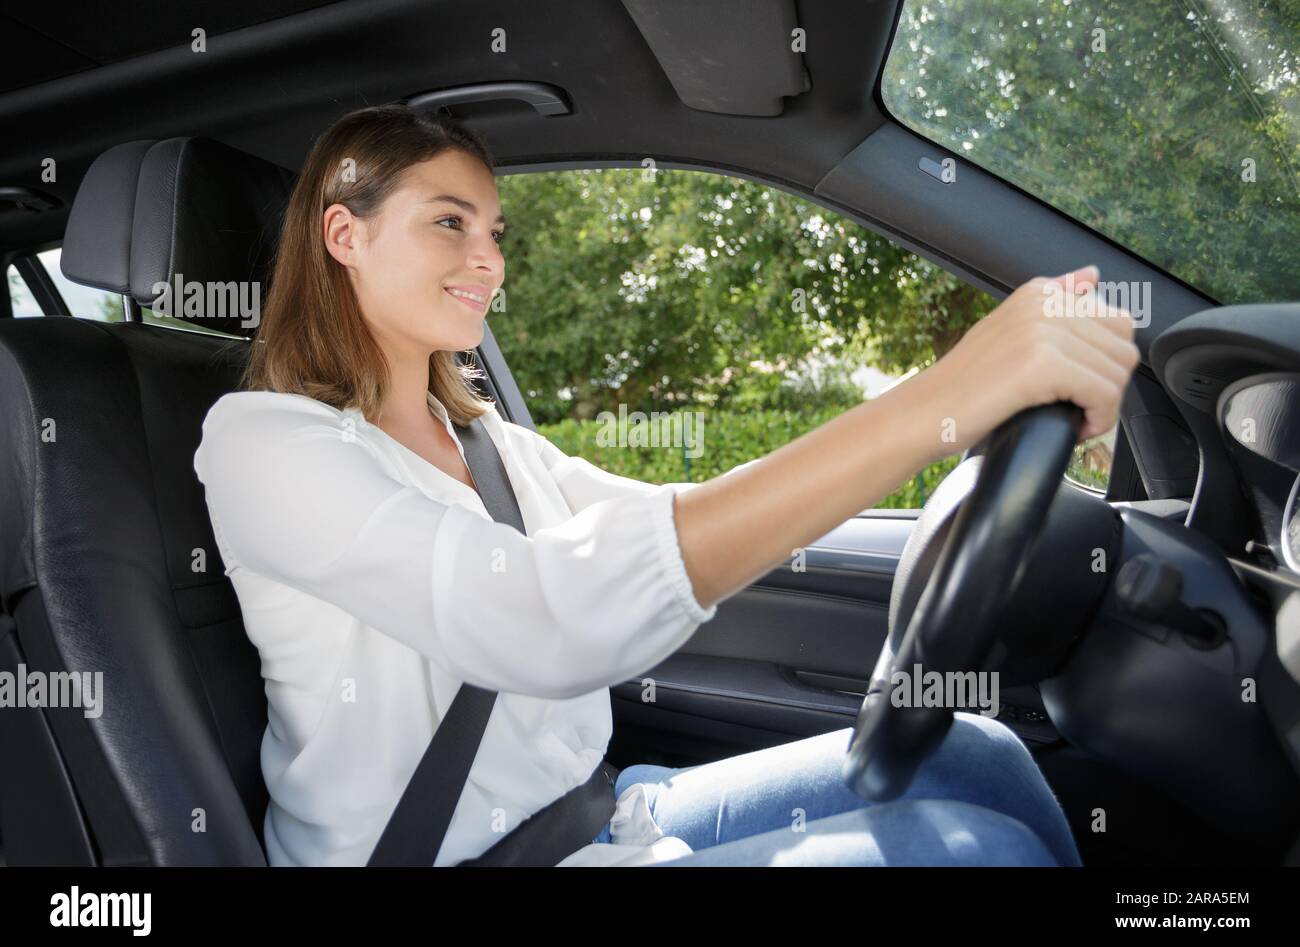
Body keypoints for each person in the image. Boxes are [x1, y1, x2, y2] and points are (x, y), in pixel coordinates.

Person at [192, 103, 1137, 867]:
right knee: (969, 854)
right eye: (449, 222)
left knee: (978, 757)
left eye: (494, 229)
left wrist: (946, 423)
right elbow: (543, 620)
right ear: (342, 236)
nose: (490, 259)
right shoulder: (264, 445)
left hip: (600, 815)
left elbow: (667, 527)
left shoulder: (489, 443)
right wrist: (953, 393)